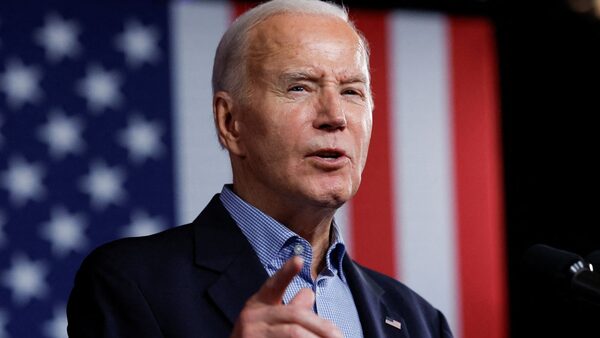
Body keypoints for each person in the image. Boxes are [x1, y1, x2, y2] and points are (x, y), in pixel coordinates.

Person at [67, 0, 453, 337]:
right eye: (300, 87)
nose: (335, 117)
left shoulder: (420, 321)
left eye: (352, 91)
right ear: (230, 121)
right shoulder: (131, 284)